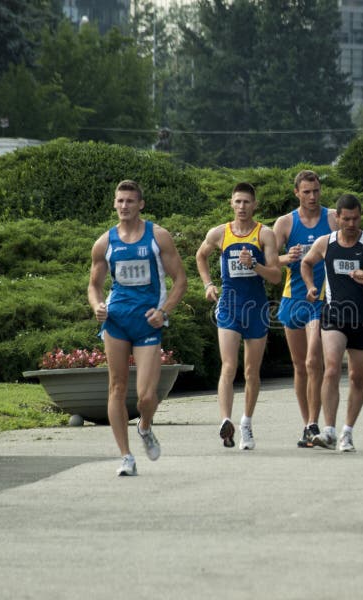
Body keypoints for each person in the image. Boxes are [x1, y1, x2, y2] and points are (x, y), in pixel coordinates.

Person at [88, 180, 188, 476]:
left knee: (146, 396)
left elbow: (180, 281)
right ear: (114, 204)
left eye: (130, 201)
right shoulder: (104, 243)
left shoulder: (158, 236)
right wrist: (96, 306)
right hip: (117, 321)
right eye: (120, 201)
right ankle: (126, 456)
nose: (124, 206)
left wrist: (164, 312)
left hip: (147, 322)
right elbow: (94, 286)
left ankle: (144, 426)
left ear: (141, 204)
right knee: (116, 387)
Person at [300, 194, 363, 452]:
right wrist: (310, 286)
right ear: (337, 218)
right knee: (331, 368)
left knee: (356, 377)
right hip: (333, 316)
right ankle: (328, 430)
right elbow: (306, 263)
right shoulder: (325, 243)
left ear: (360, 217)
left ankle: (347, 432)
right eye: (346, 219)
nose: (351, 223)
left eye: (355, 218)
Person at [196, 182, 281, 451]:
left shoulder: (264, 235)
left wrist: (254, 264)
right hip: (230, 307)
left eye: (247, 202)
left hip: (255, 309)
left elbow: (277, 276)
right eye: (237, 202)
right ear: (231, 204)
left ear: (255, 205)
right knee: (229, 366)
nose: (242, 207)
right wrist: (208, 284)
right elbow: (201, 255)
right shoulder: (220, 233)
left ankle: (246, 423)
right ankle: (225, 421)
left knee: (250, 371)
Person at [272, 170, 337, 448]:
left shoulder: (332, 218)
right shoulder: (285, 223)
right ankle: (307, 425)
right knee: (300, 366)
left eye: (316, 191)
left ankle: (314, 421)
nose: (312, 197)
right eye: (307, 192)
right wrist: (288, 257)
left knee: (313, 361)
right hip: (292, 298)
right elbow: (270, 260)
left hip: (320, 299)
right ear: (296, 192)